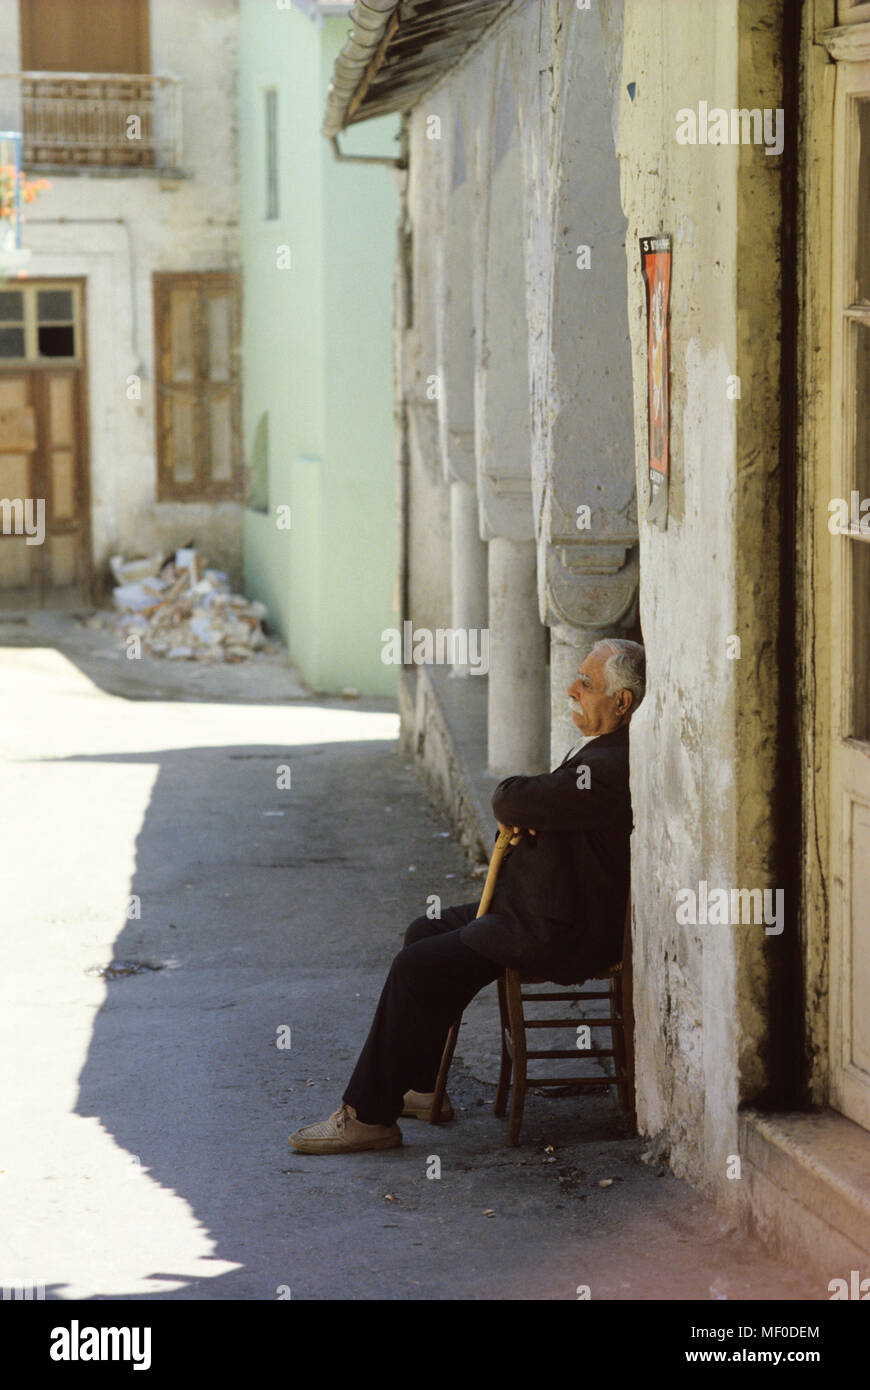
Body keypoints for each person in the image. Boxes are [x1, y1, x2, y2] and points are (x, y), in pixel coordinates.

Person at [288, 637, 645, 1154]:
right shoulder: (604, 754)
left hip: (557, 930)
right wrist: (531, 811)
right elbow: (536, 803)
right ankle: (421, 1086)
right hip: (534, 910)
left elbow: (511, 796)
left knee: (417, 966)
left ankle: (368, 1116)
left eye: (586, 684)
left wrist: (522, 806)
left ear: (622, 703)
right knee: (424, 931)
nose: (572, 688)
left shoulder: (609, 766)